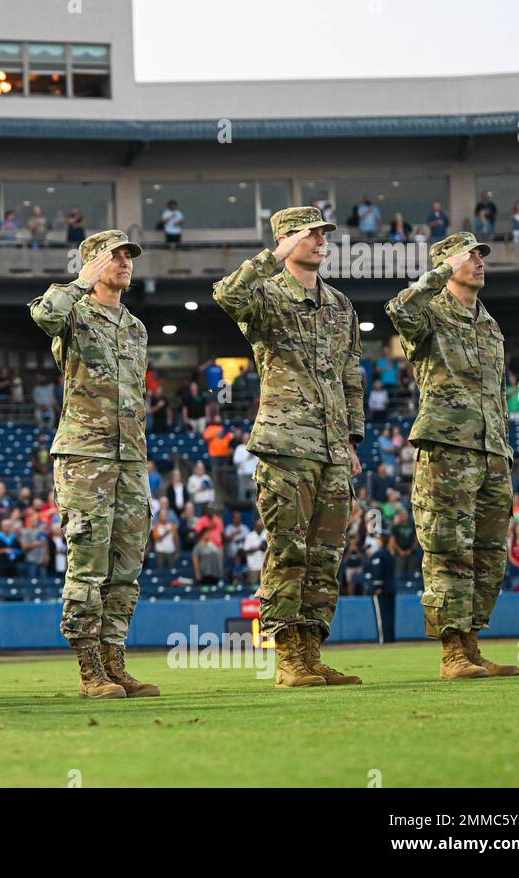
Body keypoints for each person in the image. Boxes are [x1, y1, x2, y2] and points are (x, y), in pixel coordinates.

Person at [213, 206, 365, 688]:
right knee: (288, 549)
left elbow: (350, 376)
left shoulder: (340, 305)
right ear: (285, 239)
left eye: (325, 234)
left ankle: (312, 651)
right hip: (286, 443)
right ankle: (288, 658)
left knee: (326, 554)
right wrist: (271, 256)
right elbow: (226, 294)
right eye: (311, 234)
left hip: (333, 448)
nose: (322, 241)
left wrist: (351, 437)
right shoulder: (266, 294)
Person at [29, 229, 158, 700]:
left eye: (129, 256)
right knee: (89, 563)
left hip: (130, 458)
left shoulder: (136, 327)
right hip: (85, 456)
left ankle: (114, 660)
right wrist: (79, 281)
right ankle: (88, 670)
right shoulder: (73, 312)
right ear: (91, 263)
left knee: (126, 566)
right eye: (115, 256)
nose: (125, 263)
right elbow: (44, 316)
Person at [385, 232, 519, 678]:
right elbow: (398, 309)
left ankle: (472, 642)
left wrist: (503, 451)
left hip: (492, 453)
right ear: (445, 265)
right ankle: (452, 652)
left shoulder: (490, 323)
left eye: (482, 255)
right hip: (447, 451)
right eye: (470, 256)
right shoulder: (429, 314)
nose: (479, 262)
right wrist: (439, 273)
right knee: (448, 550)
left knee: (489, 553)